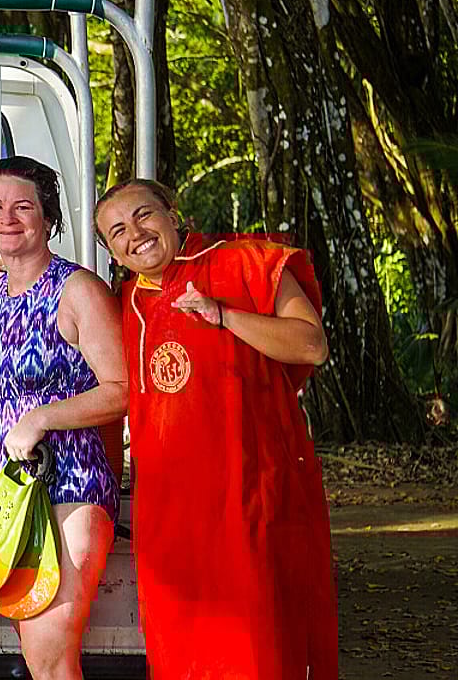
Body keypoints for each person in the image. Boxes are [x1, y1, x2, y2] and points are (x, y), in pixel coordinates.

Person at [94, 178, 338, 679]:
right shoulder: (122, 304)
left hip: (250, 494)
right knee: (183, 652)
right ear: (112, 252)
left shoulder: (246, 262)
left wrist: (223, 315)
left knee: (261, 644)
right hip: (170, 516)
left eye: (143, 215)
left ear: (172, 212)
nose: (135, 234)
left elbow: (312, 345)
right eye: (117, 231)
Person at [0, 156, 127, 680]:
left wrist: (41, 419)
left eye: (23, 206)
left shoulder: (77, 289)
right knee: (38, 653)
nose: (7, 217)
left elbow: (121, 390)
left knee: (50, 654)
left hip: (71, 485)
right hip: (7, 492)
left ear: (48, 217)